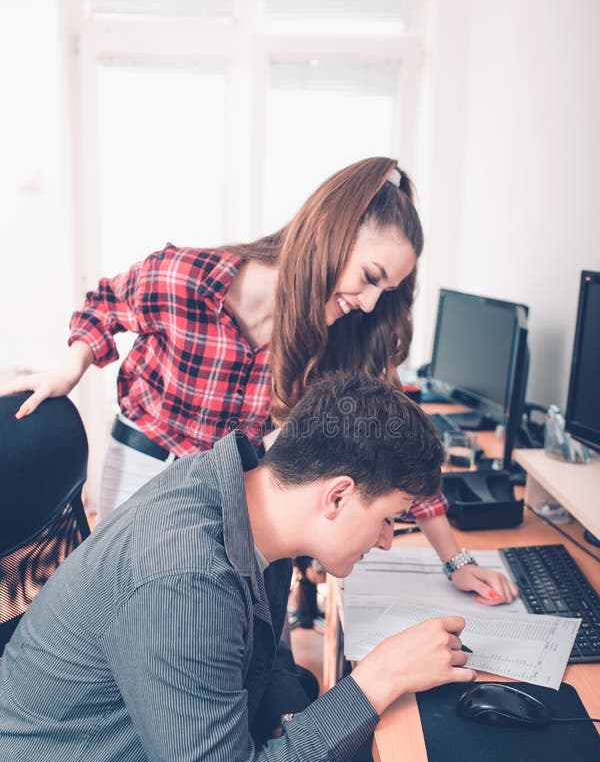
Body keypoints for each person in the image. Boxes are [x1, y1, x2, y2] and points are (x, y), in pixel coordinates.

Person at [0, 373, 479, 762]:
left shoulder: (246, 496)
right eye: (388, 517)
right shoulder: (185, 583)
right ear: (337, 496)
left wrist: (300, 743)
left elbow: (261, 656)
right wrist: (379, 678)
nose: (385, 540)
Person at [1, 156, 517, 605]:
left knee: (217, 620)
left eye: (389, 290)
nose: (370, 303)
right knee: (130, 604)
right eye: (371, 277)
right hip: (145, 462)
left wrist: (456, 562)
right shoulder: (187, 278)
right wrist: (70, 368)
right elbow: (106, 304)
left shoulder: (342, 341)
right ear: (328, 234)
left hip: (226, 486)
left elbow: (396, 451)